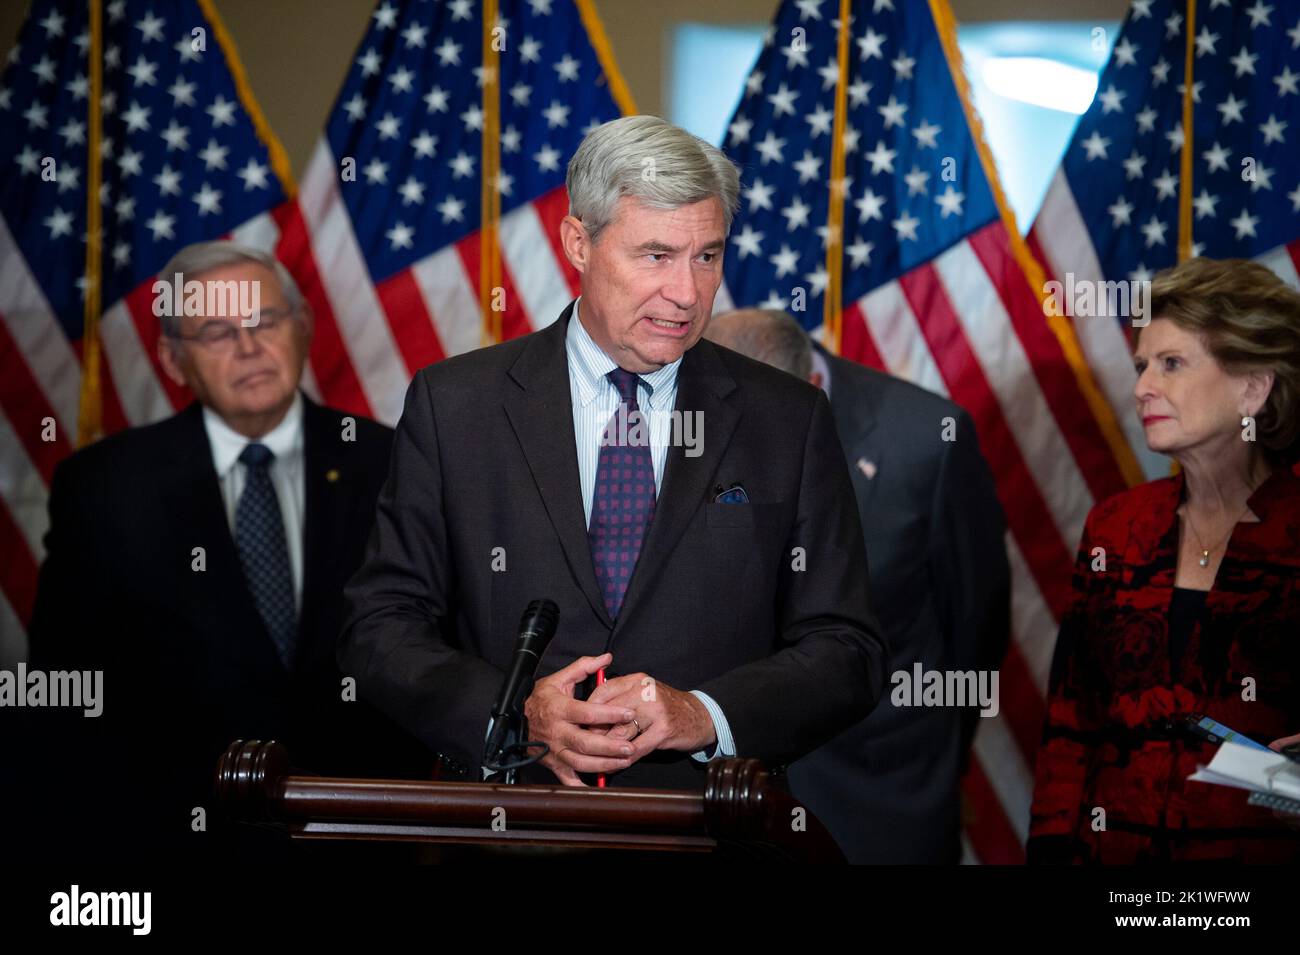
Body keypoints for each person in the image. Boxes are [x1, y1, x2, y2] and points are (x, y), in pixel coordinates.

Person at [339, 115, 886, 791]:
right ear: (579, 241)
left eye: (707, 256)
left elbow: (848, 649)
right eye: (655, 255)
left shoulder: (788, 418)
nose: (687, 293)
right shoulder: (456, 406)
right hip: (509, 829)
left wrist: (705, 713)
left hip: (710, 829)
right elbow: (381, 626)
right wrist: (510, 713)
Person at [23, 241, 429, 857]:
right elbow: (67, 689)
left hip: (363, 837)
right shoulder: (104, 487)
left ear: (303, 328)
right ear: (173, 359)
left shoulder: (396, 462)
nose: (248, 347)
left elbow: (432, 650)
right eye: (216, 331)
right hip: (167, 843)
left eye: (264, 321)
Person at [706, 309, 1009, 863]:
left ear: (813, 390)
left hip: (877, 795)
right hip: (717, 793)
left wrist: (943, 756)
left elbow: (976, 627)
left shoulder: (926, 441)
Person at [1027, 257, 1300, 863]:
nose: (1142, 386)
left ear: (1253, 387)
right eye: (1142, 366)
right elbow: (1072, 727)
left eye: (1171, 363)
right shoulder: (1116, 527)